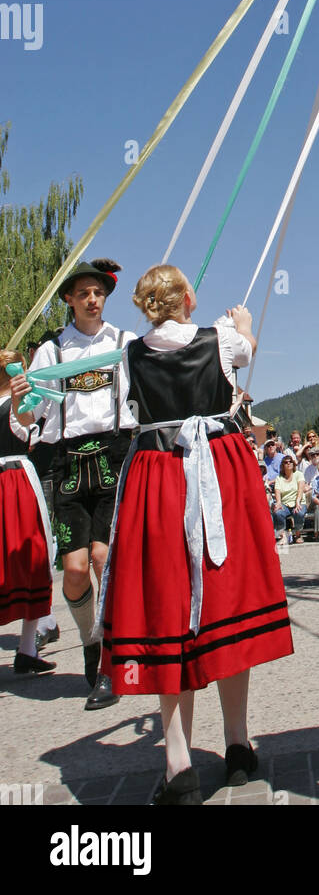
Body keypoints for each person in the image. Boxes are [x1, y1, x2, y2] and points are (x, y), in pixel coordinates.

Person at [96, 265, 294, 804]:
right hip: (219, 473)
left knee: (169, 611)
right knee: (224, 602)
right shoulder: (221, 340)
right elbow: (247, 350)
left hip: (158, 479)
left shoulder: (129, 354)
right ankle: (238, 745)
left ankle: (178, 761)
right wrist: (246, 321)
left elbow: (123, 414)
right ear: (188, 297)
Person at [9, 258, 135, 710]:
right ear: (69, 299)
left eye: (98, 292)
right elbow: (26, 423)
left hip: (114, 456)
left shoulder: (125, 343)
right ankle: (91, 640)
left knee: (105, 558)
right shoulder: (51, 352)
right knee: (76, 569)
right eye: (83, 293)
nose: (92, 299)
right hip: (67, 463)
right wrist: (22, 400)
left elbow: (143, 399)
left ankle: (112, 662)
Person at [0, 351, 56, 676]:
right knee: (34, 556)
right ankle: (26, 648)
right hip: (17, 483)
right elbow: (31, 436)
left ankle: (28, 648)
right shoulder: (18, 407)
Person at [271, 453, 309, 543]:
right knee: (278, 512)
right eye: (286, 462)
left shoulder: (298, 474)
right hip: (285, 503)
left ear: (293, 464)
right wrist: (279, 502)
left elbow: (300, 489)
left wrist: (298, 502)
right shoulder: (279, 478)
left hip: (298, 501)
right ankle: (282, 536)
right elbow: (277, 491)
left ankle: (298, 534)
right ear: (283, 465)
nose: (288, 463)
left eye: (290, 462)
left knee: (298, 512)